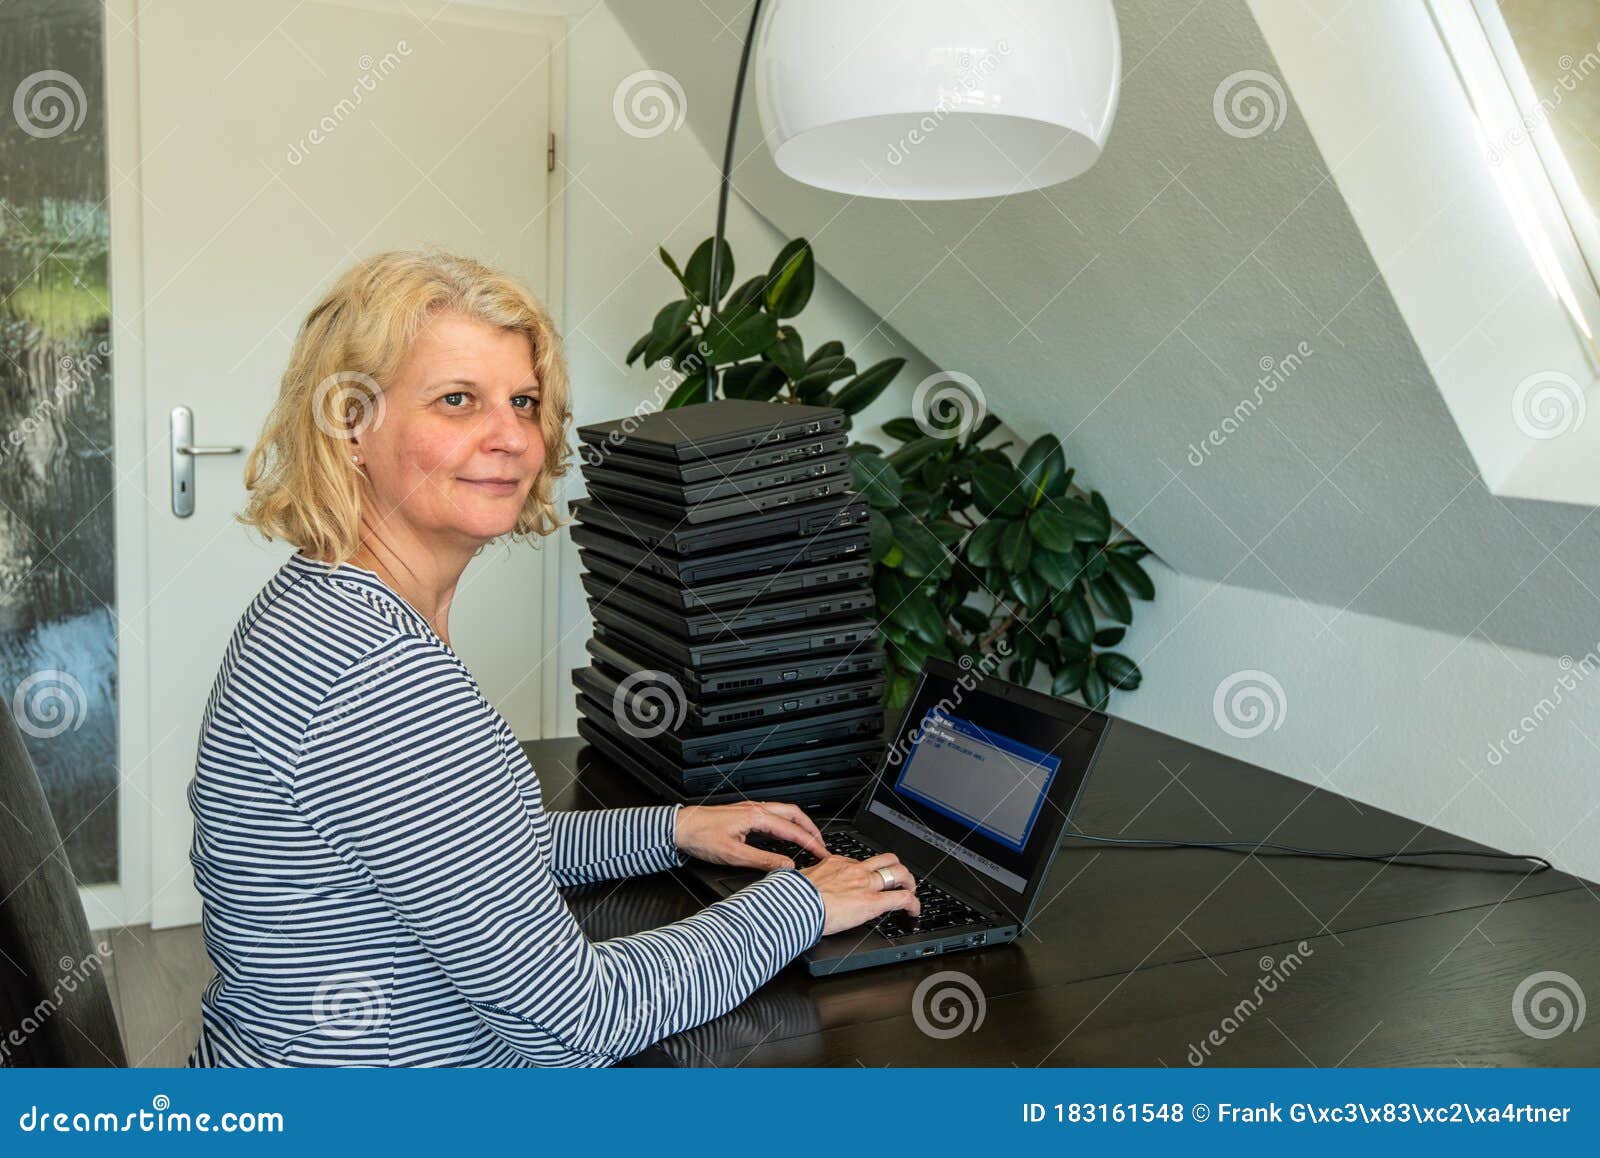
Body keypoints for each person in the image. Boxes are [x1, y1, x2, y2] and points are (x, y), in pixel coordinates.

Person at [185, 249, 919, 1067]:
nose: (510, 437)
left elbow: (466, 852)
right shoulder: (378, 680)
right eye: (457, 400)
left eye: (525, 402)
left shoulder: (320, 604)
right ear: (353, 424)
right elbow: (580, 1021)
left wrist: (675, 829)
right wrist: (801, 904)